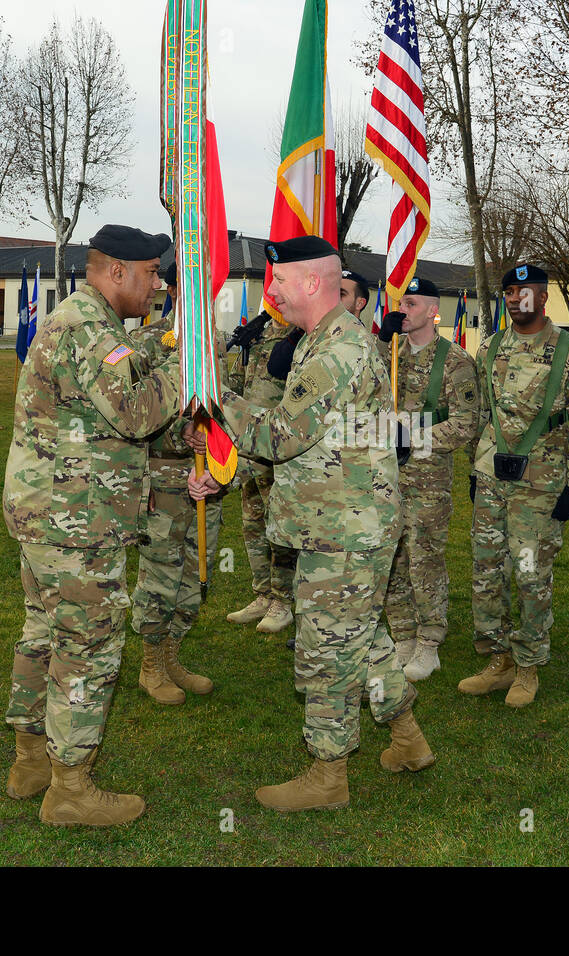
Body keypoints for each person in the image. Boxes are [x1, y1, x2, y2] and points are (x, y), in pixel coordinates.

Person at [192, 235, 435, 811]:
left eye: (277, 280)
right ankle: (408, 740)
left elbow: (280, 434)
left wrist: (211, 394)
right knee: (365, 640)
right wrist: (226, 472)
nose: (269, 289)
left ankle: (329, 776)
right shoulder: (320, 340)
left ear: (309, 283)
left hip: (345, 532)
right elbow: (303, 441)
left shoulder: (336, 352)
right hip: (339, 522)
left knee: (327, 653)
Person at [2, 224, 184, 826]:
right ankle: (70, 787)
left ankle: (32, 759)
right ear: (115, 273)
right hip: (75, 523)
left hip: (49, 514)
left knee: (44, 630)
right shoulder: (90, 331)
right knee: (89, 643)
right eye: (151, 273)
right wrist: (187, 372)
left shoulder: (85, 324)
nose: (157, 284)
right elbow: (138, 414)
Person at [460, 263, 569, 708]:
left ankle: (528, 666)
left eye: (526, 291)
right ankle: (497, 659)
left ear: (543, 298)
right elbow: (483, 414)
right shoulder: (490, 348)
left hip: (541, 485)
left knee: (530, 575)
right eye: (509, 292)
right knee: (486, 573)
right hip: (491, 477)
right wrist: (474, 469)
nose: (516, 299)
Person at [127, 260, 222, 706]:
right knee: (160, 576)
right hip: (163, 479)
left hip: (207, 479)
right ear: (171, 287)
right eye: (194, 284)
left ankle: (171, 656)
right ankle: (150, 664)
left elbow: (231, 407)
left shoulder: (214, 346)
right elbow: (132, 416)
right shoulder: (145, 342)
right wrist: (175, 432)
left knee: (192, 575)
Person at [375, 276, 478, 680]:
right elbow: (360, 386)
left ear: (434, 311)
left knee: (423, 557)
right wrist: (381, 342)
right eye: (402, 302)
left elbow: (466, 424)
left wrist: (413, 437)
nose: (404, 310)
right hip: (384, 473)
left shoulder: (455, 362)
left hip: (427, 478)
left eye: (413, 304)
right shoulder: (390, 354)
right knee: (391, 556)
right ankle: (402, 634)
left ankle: (429, 641)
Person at [224, 308, 298, 635]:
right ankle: (263, 593)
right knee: (253, 522)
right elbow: (240, 385)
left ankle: (282, 600)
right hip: (248, 444)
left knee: (279, 525)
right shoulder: (258, 334)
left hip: (278, 447)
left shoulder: (300, 336)